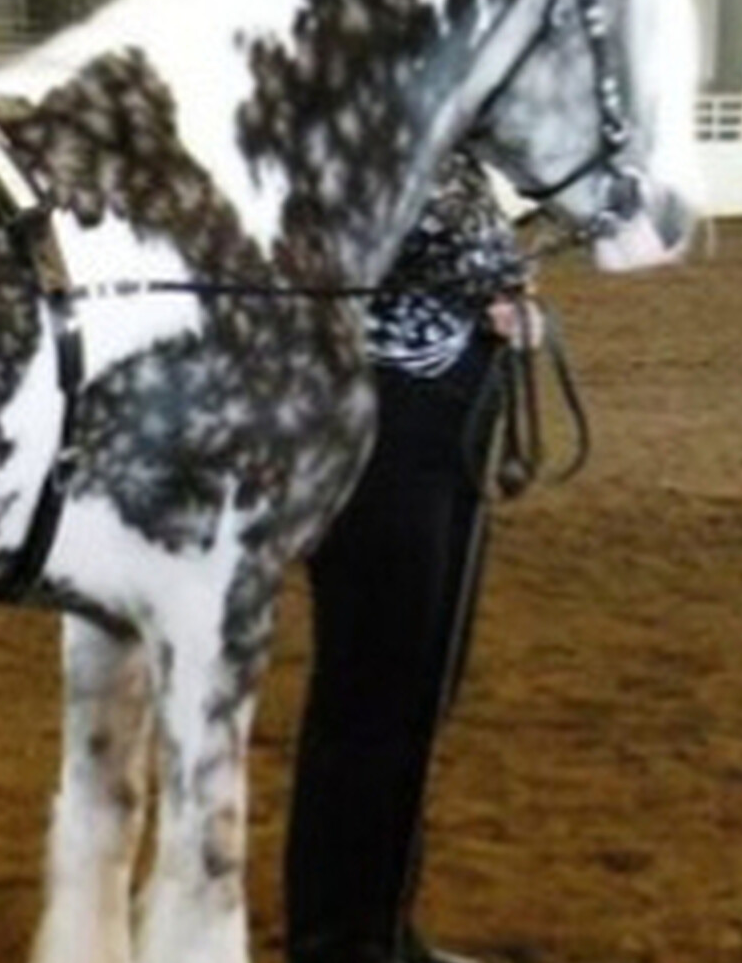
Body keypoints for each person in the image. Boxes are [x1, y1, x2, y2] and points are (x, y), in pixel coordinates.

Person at [283, 152, 539, 963]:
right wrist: (497, 275)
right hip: (387, 422)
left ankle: (374, 926)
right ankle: (345, 941)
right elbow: (422, 223)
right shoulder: (384, 109)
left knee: (408, 691)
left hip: (429, 415)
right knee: (379, 693)